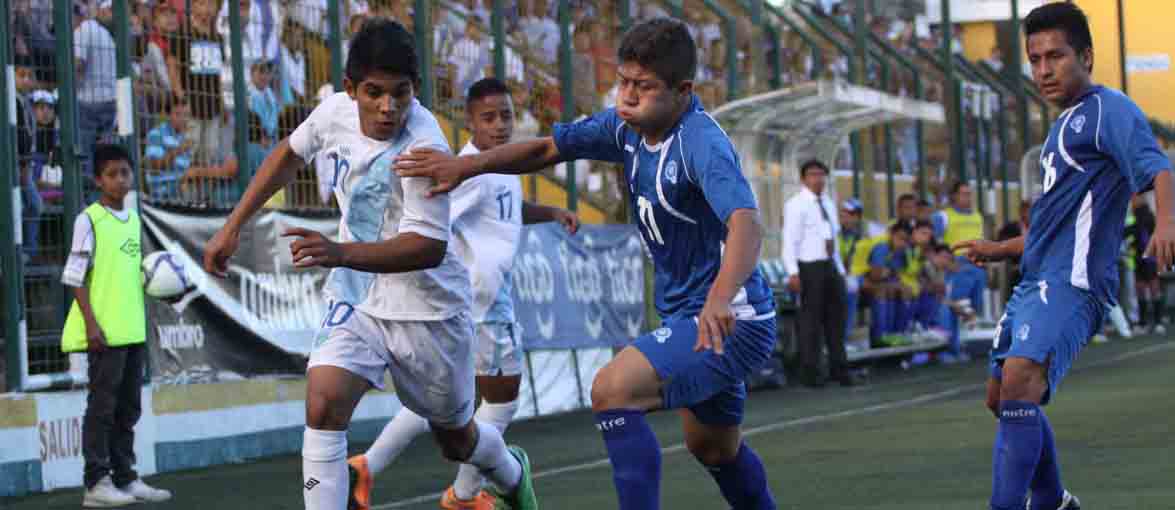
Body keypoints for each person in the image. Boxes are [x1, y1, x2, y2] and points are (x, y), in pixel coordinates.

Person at [395, 18, 779, 510]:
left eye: (643, 86)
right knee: (714, 448)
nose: (628, 95)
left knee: (611, 389)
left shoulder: (701, 144)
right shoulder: (624, 128)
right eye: (623, 81)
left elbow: (746, 222)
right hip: (691, 315)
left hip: (732, 319)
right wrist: (466, 165)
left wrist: (721, 298)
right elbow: (547, 148)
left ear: (683, 91)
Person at [201, 19, 537, 510]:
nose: (388, 106)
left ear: (415, 90)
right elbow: (288, 155)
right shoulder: (333, 113)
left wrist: (339, 252)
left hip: (429, 311)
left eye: (400, 94)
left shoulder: (424, 145)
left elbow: (426, 246)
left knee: (457, 440)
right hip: (357, 297)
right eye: (374, 93)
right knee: (323, 403)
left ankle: (510, 471)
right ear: (351, 88)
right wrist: (233, 225)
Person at [954, 4, 1175, 510]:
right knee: (1001, 397)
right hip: (1037, 279)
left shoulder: (1106, 110)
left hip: (1071, 284)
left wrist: (1166, 223)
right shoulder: (1063, 127)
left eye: (1056, 56)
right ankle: (1054, 501)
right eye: (1035, 59)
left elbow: (1157, 166)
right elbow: (1055, 230)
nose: (1044, 69)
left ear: (1087, 57)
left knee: (1019, 382)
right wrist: (999, 248)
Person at [347, 78, 579, 510]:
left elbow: (505, 210)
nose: (499, 125)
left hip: (473, 305)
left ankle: (366, 466)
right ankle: (465, 494)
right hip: (482, 303)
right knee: (504, 399)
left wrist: (550, 211)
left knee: (441, 401)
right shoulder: (471, 169)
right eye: (488, 117)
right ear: (469, 120)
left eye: (506, 116)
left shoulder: (498, 166)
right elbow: (442, 220)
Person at [60, 145, 173, 508]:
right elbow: (74, 278)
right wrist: (92, 325)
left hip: (133, 329)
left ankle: (126, 476)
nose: (120, 179)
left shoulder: (135, 220)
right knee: (102, 408)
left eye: (125, 172)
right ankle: (96, 481)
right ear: (98, 180)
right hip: (104, 333)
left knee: (129, 408)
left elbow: (134, 276)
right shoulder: (89, 220)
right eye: (112, 173)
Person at [782, 159, 851, 388]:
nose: (818, 179)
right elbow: (790, 241)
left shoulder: (828, 203)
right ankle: (811, 372)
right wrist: (792, 272)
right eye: (812, 174)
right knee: (810, 321)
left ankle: (839, 368)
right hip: (809, 266)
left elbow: (833, 238)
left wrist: (840, 269)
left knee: (836, 318)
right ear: (803, 179)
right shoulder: (796, 204)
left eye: (821, 174)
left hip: (830, 264)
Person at [866, 223, 912, 346]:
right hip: (862, 280)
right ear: (891, 234)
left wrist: (891, 276)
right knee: (885, 290)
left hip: (881, 283)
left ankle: (899, 334)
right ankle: (880, 336)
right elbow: (875, 276)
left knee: (905, 290)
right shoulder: (882, 248)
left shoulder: (901, 252)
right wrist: (889, 275)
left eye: (906, 240)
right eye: (899, 238)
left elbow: (895, 275)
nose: (902, 242)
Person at [1125, 194, 1165, 334]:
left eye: (1135, 198)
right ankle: (1143, 323)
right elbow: (1130, 233)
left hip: (1150, 259)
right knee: (1140, 289)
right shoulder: (1135, 218)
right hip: (1138, 259)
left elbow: (1147, 234)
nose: (1132, 200)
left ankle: (1158, 321)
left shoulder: (1148, 217)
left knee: (1153, 288)